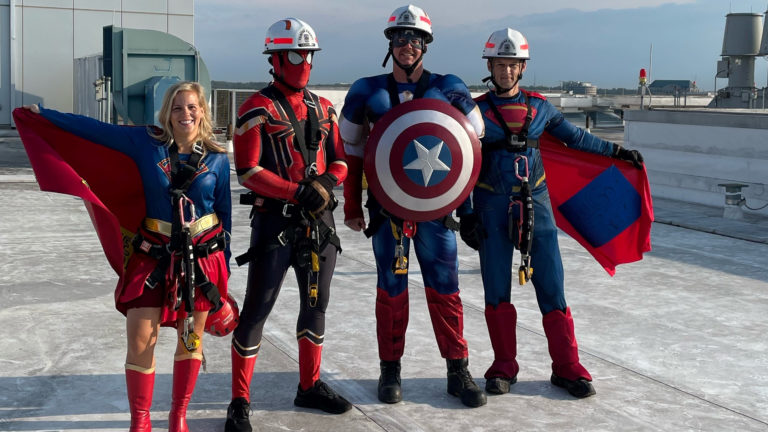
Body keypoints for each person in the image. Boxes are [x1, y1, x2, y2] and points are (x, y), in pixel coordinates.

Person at [19, 81, 234, 431]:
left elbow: (224, 219)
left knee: (189, 340)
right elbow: (95, 131)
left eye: (192, 107)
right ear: (167, 112)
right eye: (177, 107)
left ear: (203, 112)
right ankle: (141, 422)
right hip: (154, 256)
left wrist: (223, 277)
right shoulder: (145, 143)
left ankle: (178, 417)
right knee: (140, 339)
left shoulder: (218, 159)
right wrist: (46, 116)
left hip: (202, 263)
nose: (185, 114)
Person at [460, 28, 645, 398]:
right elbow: (462, 160)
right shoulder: (474, 111)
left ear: (522, 67)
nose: (506, 71)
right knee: (496, 289)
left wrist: (617, 152)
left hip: (537, 207)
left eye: (512, 65)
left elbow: (576, 139)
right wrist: (466, 213)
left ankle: (566, 367)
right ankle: (503, 367)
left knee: (552, 286)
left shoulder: (540, 107)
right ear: (490, 66)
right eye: (500, 64)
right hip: (490, 207)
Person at [340, 4, 487, 408]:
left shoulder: (449, 86)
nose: (407, 45)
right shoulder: (366, 90)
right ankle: (390, 370)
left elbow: (471, 149)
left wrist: (469, 210)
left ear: (426, 44)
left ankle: (458, 369)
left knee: (447, 289)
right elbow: (351, 151)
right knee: (391, 290)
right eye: (400, 37)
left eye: (415, 38)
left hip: (437, 214)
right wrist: (351, 204)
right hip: (387, 211)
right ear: (390, 42)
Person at [224, 18, 351, 432]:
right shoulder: (254, 109)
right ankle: (240, 401)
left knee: (316, 305)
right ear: (276, 59)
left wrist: (329, 182)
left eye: (309, 54)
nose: (305, 62)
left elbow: (341, 159)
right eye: (297, 54)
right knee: (257, 308)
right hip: (275, 223)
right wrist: (298, 192)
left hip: (321, 223)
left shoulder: (325, 108)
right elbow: (247, 170)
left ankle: (309, 385)